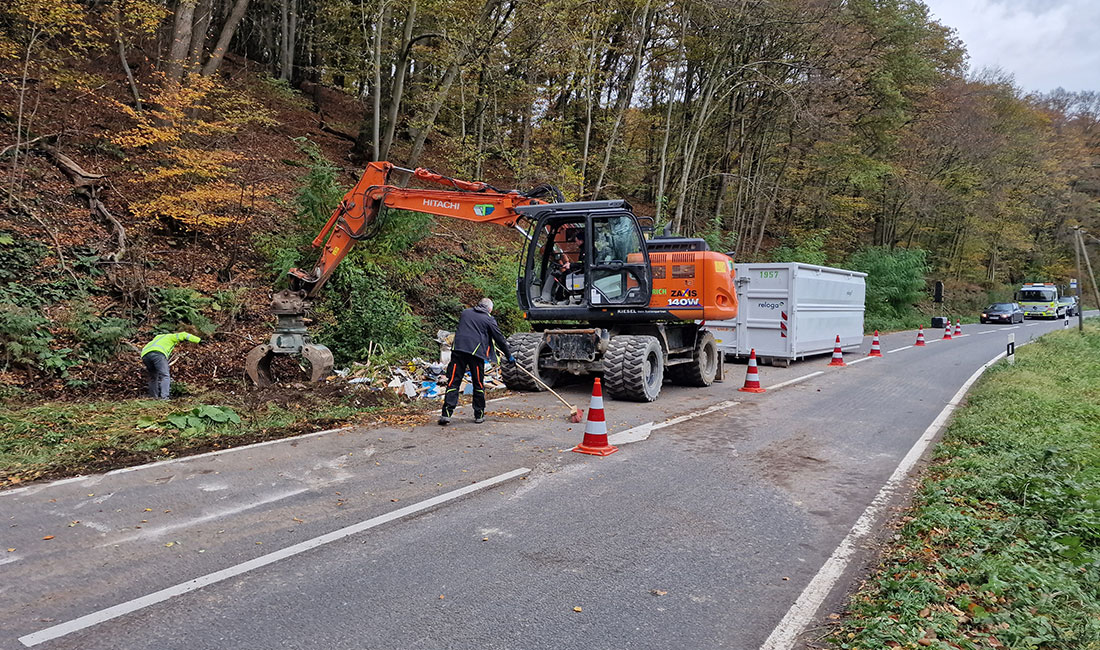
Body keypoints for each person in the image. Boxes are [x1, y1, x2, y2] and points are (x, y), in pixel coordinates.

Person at [439, 298, 514, 425]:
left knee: (453, 382)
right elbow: (499, 339)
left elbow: (470, 329)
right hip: (476, 353)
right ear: (489, 309)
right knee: (478, 384)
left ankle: (446, 414)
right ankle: (479, 414)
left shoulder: (465, 313)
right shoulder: (489, 319)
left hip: (459, 350)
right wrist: (509, 355)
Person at [141, 330, 201, 399]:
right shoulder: (171, 337)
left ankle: (153, 397)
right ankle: (165, 398)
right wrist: (199, 340)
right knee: (165, 376)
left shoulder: (157, 338)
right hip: (158, 354)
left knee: (153, 377)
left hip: (145, 355)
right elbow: (184, 335)